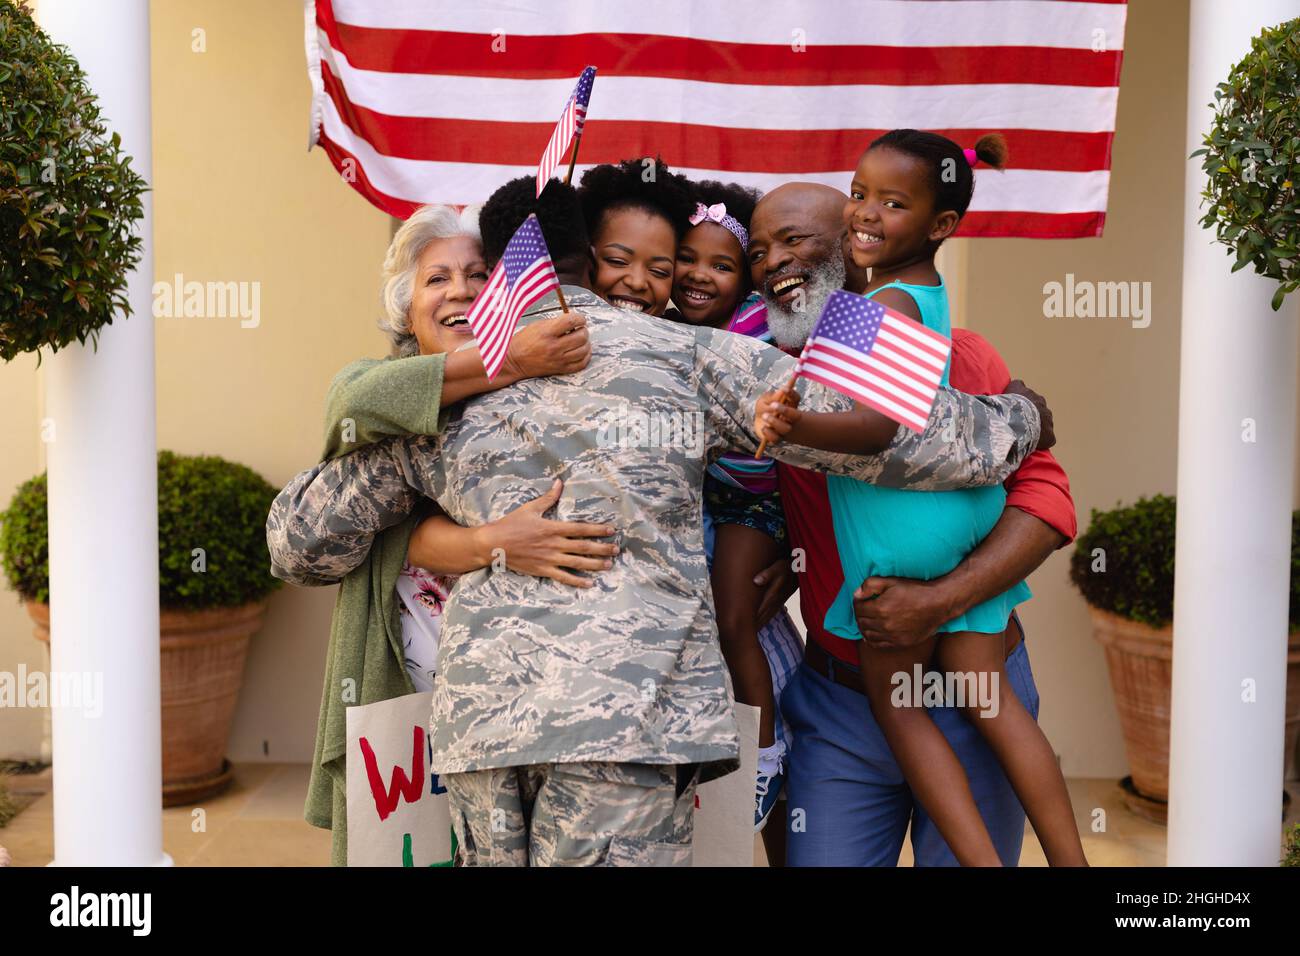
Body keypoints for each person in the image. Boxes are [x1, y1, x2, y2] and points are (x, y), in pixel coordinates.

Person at [267, 177, 1050, 866]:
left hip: (483, 735)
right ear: (586, 252)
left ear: (506, 266)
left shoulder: (443, 393)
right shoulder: (684, 355)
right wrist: (1014, 417)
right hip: (629, 729)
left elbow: (298, 543)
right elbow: (876, 428)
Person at [754, 130, 1085, 866]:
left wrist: (939, 600)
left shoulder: (954, 351)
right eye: (759, 249)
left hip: (962, 677)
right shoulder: (760, 374)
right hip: (838, 707)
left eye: (798, 240)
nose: (775, 261)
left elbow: (1050, 504)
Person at [295, 202, 606, 865]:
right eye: (437, 279)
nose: (460, 291)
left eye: (478, 274)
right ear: (406, 310)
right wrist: (511, 360)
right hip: (404, 712)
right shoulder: (371, 389)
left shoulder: (551, 403)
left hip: (527, 721)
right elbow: (309, 530)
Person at [667, 179, 798, 831]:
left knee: (733, 617)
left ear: (745, 278)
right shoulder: (664, 329)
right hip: (712, 495)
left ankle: (765, 753)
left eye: (722, 264)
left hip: (756, 504)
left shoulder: (761, 323)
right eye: (687, 257)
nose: (698, 274)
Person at [577, 157, 695, 315]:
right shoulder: (540, 332)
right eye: (617, 261)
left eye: (659, 271)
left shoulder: (692, 339)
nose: (637, 283)